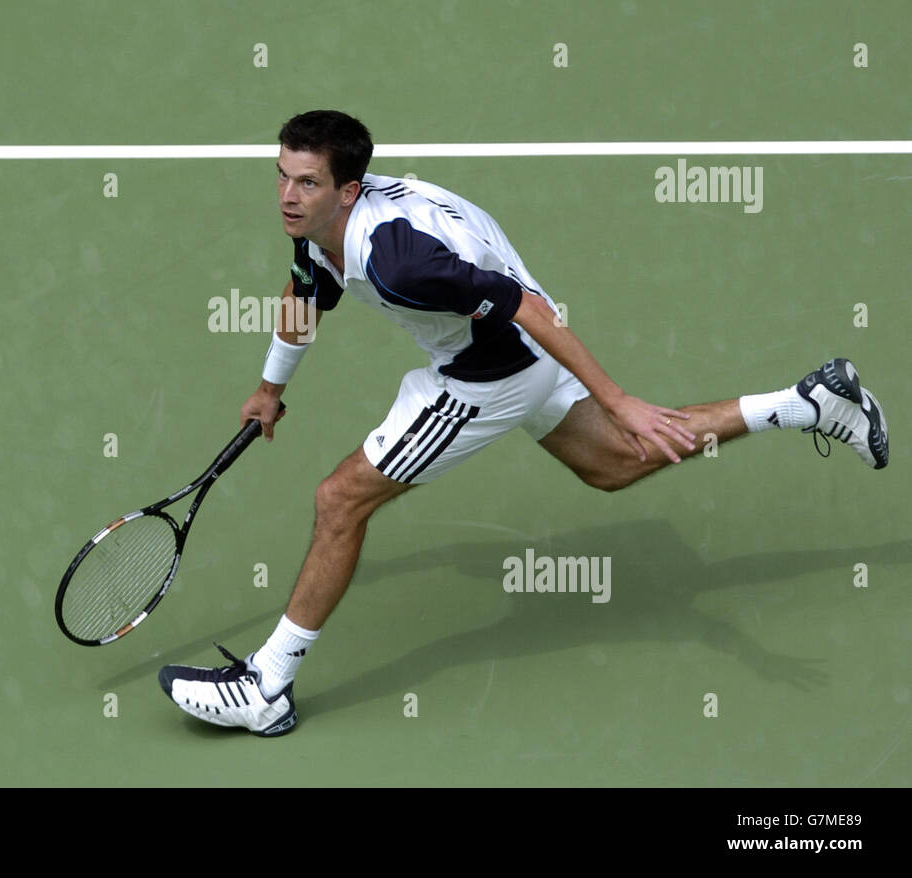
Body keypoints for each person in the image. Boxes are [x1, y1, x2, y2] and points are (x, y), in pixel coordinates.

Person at [157, 109, 889, 736]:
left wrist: (615, 397)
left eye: (306, 182)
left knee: (340, 499)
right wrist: (268, 386)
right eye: (281, 175)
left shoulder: (397, 263)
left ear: (347, 190)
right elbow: (307, 282)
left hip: (489, 370)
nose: (287, 194)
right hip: (512, 330)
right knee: (612, 464)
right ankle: (808, 402)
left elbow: (527, 311)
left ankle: (267, 688)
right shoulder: (324, 222)